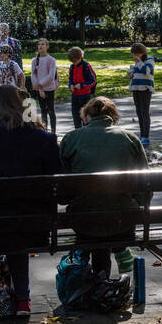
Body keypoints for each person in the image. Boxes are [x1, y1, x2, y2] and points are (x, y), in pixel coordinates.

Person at [0, 85, 63, 317]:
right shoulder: (42, 137)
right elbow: (57, 176)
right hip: (32, 221)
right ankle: (22, 301)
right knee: (17, 233)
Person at [60, 95, 148, 286]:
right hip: (123, 222)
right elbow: (144, 185)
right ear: (113, 116)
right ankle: (106, 280)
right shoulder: (130, 139)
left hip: (84, 222)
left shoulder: (71, 139)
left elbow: (63, 194)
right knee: (108, 211)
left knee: (95, 213)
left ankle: (98, 283)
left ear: (86, 116)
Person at [128, 41, 154, 145]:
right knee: (139, 112)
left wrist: (139, 61)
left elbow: (146, 71)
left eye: (136, 54)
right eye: (133, 54)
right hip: (136, 88)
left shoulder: (149, 60)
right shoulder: (137, 61)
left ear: (142, 52)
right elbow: (136, 71)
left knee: (144, 112)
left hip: (145, 89)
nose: (135, 56)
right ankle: (141, 134)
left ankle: (146, 136)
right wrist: (130, 73)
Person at [30, 38, 58, 134]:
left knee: (51, 110)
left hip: (49, 89)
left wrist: (41, 84)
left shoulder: (51, 60)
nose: (40, 46)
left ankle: (53, 132)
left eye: (43, 44)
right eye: (39, 44)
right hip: (39, 89)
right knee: (43, 111)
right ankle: (45, 131)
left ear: (47, 46)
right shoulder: (34, 60)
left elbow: (50, 76)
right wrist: (38, 87)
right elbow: (33, 75)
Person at [66, 46, 97, 128]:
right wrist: (71, 85)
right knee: (76, 118)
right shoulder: (72, 67)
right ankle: (77, 133)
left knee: (85, 117)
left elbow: (93, 81)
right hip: (75, 95)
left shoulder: (86, 66)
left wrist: (82, 85)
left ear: (80, 57)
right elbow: (70, 78)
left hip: (85, 96)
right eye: (72, 61)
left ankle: (87, 134)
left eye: (75, 61)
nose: (74, 63)